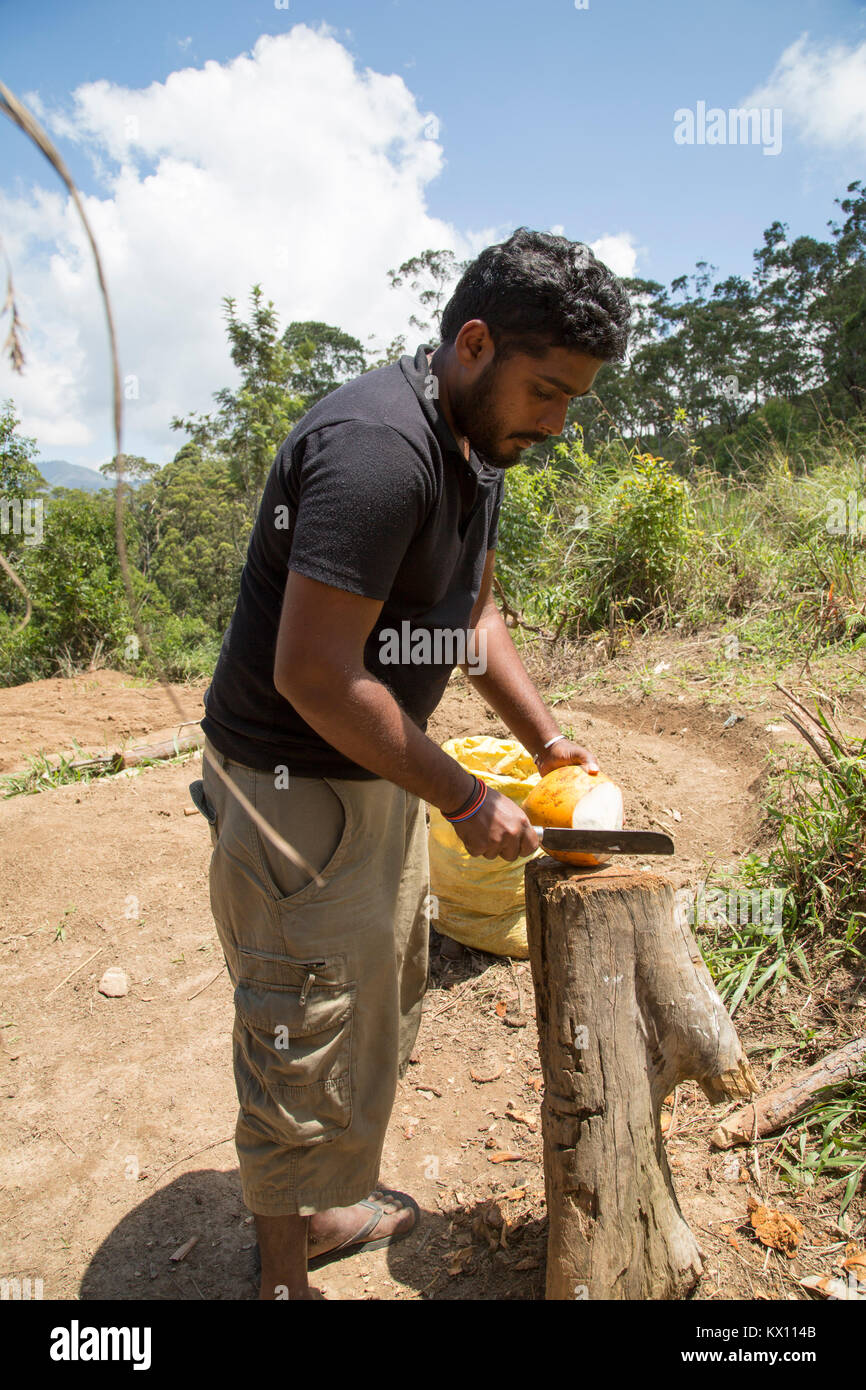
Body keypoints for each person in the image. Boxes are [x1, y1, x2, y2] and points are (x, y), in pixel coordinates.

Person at [196, 227, 631, 1299]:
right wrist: (464, 791)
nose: (556, 421)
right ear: (472, 344)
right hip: (292, 780)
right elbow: (311, 673)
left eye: (572, 398)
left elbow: (470, 620)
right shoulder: (375, 451)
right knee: (300, 1009)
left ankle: (329, 1197)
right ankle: (283, 1277)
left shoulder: (479, 448)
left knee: (379, 989)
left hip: (376, 764)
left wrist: (544, 742)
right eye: (545, 390)